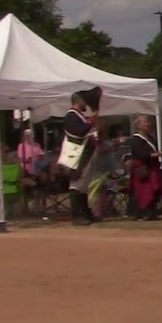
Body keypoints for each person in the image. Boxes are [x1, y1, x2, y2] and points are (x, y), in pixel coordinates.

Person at [60, 91, 100, 226]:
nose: (86, 105)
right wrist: (91, 121)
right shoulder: (71, 116)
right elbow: (79, 131)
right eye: (84, 101)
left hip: (84, 153)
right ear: (78, 101)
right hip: (76, 154)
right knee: (76, 183)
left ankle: (85, 213)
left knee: (83, 185)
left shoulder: (79, 116)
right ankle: (77, 215)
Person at [127, 115, 162, 221]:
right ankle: (142, 213)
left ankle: (152, 212)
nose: (148, 124)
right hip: (142, 169)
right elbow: (141, 154)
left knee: (153, 190)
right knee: (143, 191)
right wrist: (156, 155)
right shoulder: (136, 139)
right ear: (138, 125)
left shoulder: (151, 138)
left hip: (152, 167)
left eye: (148, 122)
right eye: (145, 122)